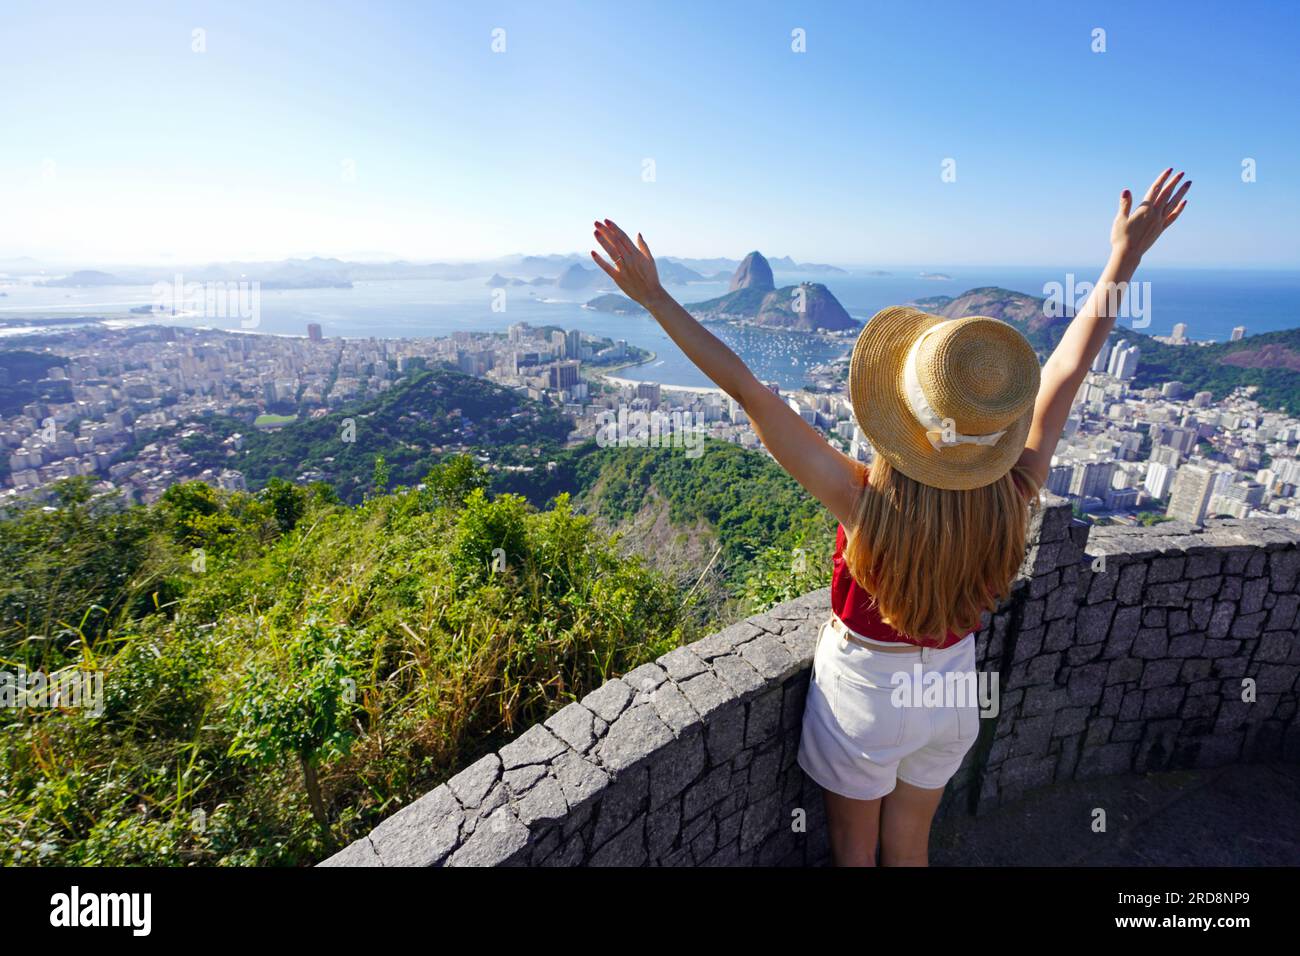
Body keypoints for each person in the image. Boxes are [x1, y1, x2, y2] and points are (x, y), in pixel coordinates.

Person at [590, 168, 1190, 866]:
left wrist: (656, 297)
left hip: (866, 693)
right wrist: (1125, 257)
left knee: (855, 849)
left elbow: (746, 389)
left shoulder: (864, 503)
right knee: (909, 845)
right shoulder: (1016, 486)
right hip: (952, 689)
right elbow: (1067, 367)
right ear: (993, 427)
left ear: (900, 416)